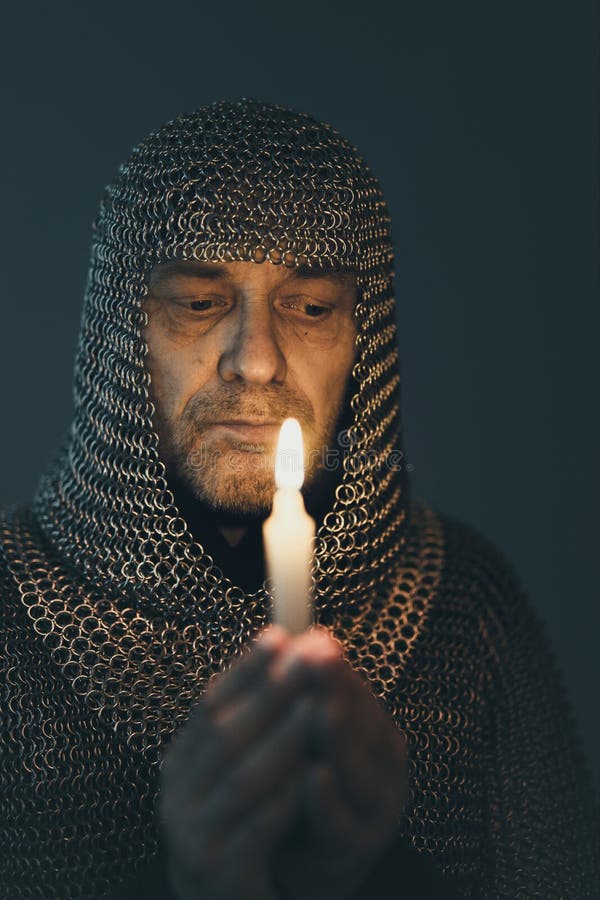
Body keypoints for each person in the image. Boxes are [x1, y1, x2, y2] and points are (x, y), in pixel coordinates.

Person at [0, 98, 598, 900]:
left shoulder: (461, 604)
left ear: (363, 335)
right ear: (122, 328)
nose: (254, 362)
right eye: (199, 303)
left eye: (311, 308)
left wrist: (374, 877)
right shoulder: (13, 614)